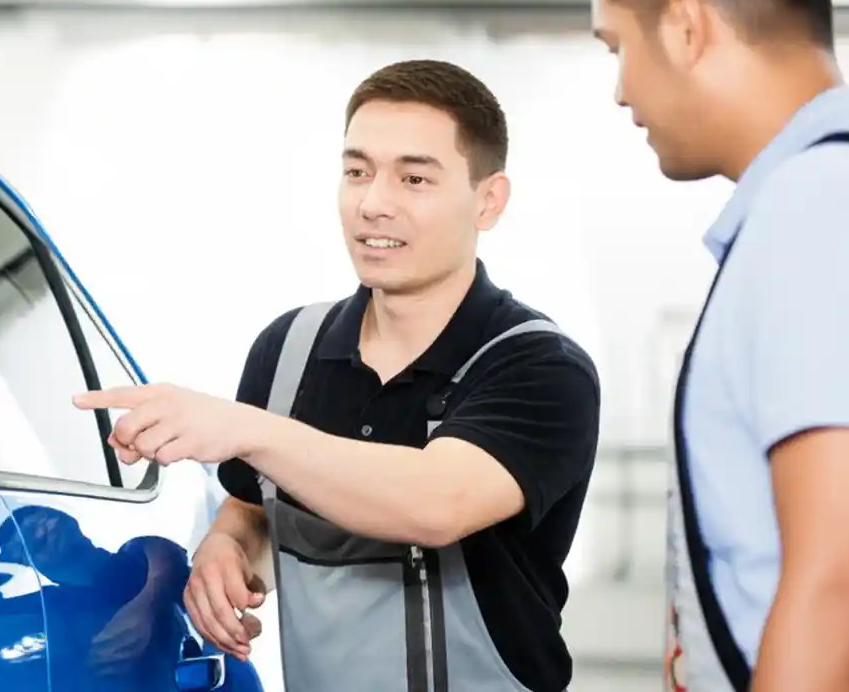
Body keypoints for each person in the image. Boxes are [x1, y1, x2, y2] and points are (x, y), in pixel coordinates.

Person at [76, 60, 601, 692]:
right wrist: (228, 550)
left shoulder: (539, 367)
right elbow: (254, 508)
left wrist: (246, 429)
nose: (373, 204)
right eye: (357, 172)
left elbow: (434, 504)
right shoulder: (288, 349)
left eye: (414, 178)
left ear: (488, 201)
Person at [587, 0, 849, 690]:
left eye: (617, 47)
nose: (620, 91)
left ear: (683, 25)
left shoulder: (816, 204)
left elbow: (838, 579)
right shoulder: (807, 201)